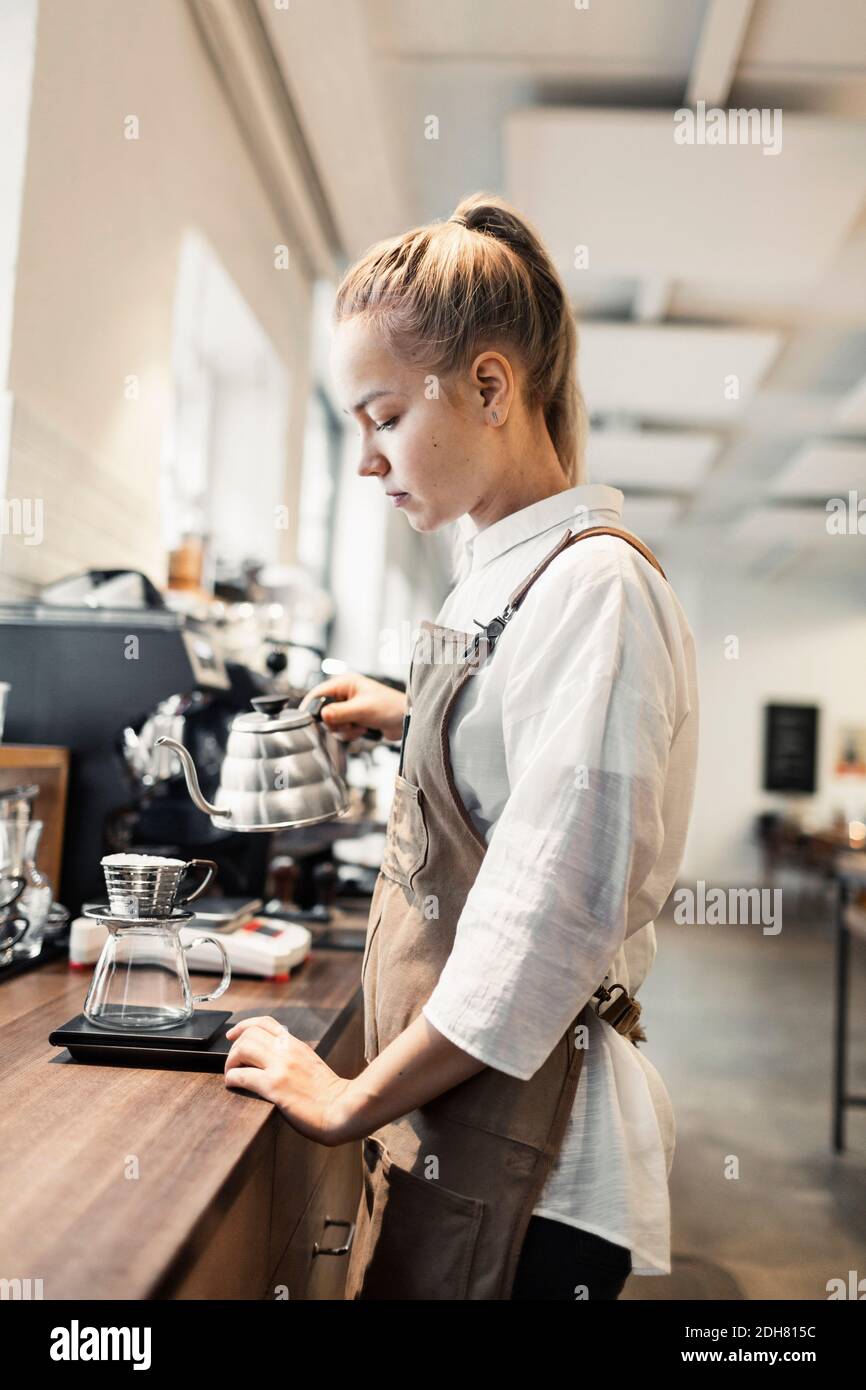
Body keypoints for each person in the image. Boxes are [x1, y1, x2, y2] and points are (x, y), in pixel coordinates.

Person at [223, 193, 699, 1301]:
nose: (366, 462)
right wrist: (411, 716)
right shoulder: (512, 575)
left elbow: (550, 923)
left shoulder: (595, 587)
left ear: (487, 387)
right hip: (463, 1124)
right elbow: (529, 766)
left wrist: (344, 1102)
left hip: (539, 1173)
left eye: (382, 417)